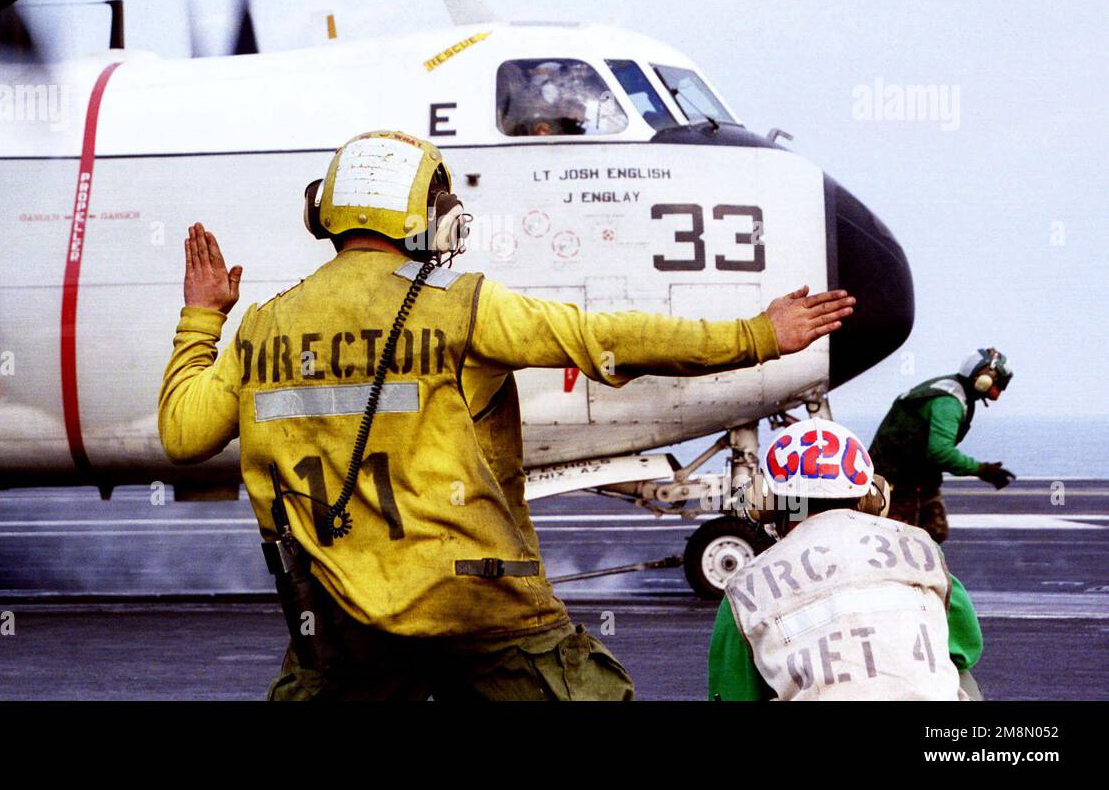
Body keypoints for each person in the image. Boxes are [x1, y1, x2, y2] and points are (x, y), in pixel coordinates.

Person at [158, 129, 856, 701]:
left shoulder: (263, 327)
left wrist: (201, 318)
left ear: (324, 215)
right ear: (425, 216)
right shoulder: (458, 302)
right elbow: (604, 339)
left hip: (336, 621)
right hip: (474, 600)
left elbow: (183, 435)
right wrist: (757, 335)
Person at [708, 419, 985, 701]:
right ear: (872, 497)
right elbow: (966, 648)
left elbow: (731, 691)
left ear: (764, 501)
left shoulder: (744, 590)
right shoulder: (920, 549)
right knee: (959, 677)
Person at [869, 349, 1015, 544]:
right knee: (901, 542)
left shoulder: (955, 392)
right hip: (896, 482)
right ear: (984, 379)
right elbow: (940, 452)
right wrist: (982, 470)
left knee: (935, 530)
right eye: (1000, 384)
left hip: (917, 479)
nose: (1000, 391)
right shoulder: (949, 402)